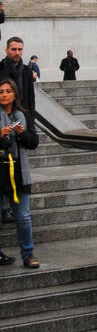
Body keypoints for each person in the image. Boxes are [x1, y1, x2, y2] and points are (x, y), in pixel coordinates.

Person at [0, 76, 40, 268]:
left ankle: (28, 254)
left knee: (23, 216)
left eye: (8, 91)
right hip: (1, 171)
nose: (4, 95)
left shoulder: (22, 115)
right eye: (1, 92)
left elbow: (33, 142)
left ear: (15, 94)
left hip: (18, 172)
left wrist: (22, 133)